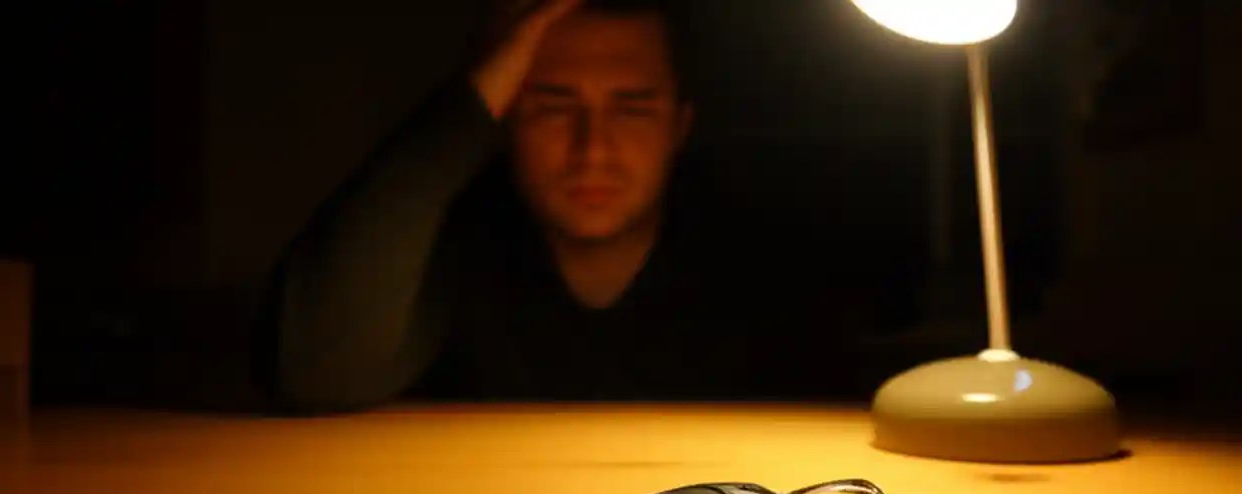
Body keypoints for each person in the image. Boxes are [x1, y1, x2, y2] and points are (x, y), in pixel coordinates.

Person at [260, 0, 860, 412]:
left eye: (631, 108)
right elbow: (319, 375)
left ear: (679, 126)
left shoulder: (764, 265)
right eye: (552, 106)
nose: (592, 149)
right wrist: (467, 106)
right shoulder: (454, 247)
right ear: (503, 117)